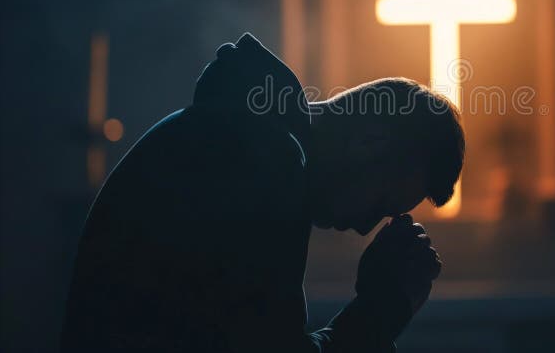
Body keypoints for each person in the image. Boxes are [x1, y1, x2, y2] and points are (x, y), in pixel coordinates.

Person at [61, 32, 465, 352]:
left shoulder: (253, 143)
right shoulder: (265, 160)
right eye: (380, 205)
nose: (364, 229)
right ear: (368, 143)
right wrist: (380, 310)